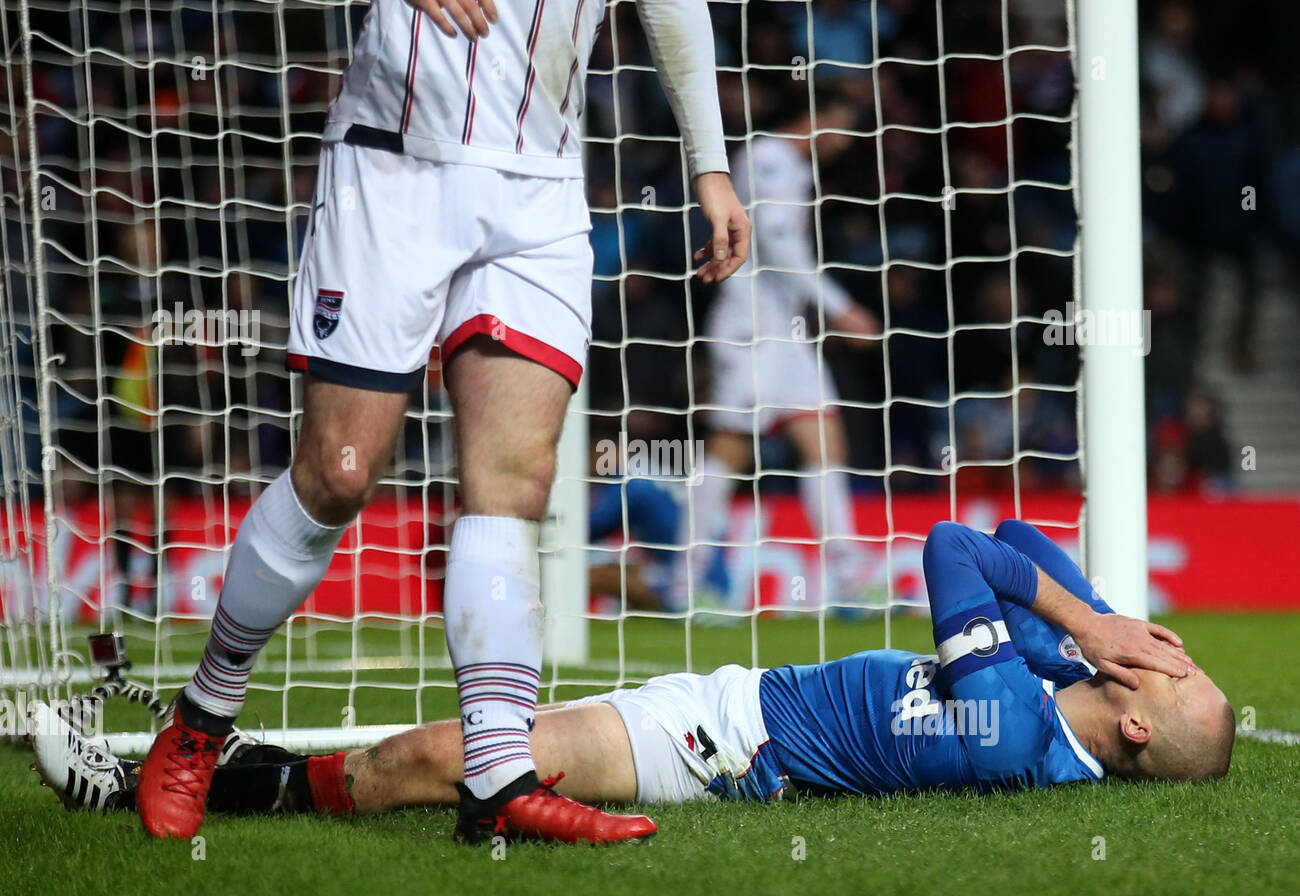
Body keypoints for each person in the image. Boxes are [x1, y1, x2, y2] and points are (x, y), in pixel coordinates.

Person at [135, 0, 751, 843]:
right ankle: (203, 718)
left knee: (515, 480)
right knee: (338, 474)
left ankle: (497, 778)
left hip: (541, 185)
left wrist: (709, 165)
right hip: (396, 167)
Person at [43, 521, 1228, 835]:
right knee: (447, 746)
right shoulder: (1054, 700)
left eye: (1176, 676)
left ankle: (163, 778)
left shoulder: (1007, 721)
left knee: (436, 760)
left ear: (1131, 726)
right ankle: (197, 768)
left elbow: (960, 548)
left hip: (719, 753)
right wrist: (1104, 623)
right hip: (732, 704)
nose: (1174, 651)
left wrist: (1087, 619)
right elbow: (1021, 529)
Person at [686, 82, 881, 613]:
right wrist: (839, 306)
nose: (844, 140)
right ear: (817, 116)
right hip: (748, 331)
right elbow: (776, 243)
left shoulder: (799, 168)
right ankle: (687, 579)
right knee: (729, 449)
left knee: (825, 438)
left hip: (788, 335)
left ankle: (848, 582)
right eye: (841, 123)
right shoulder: (768, 157)